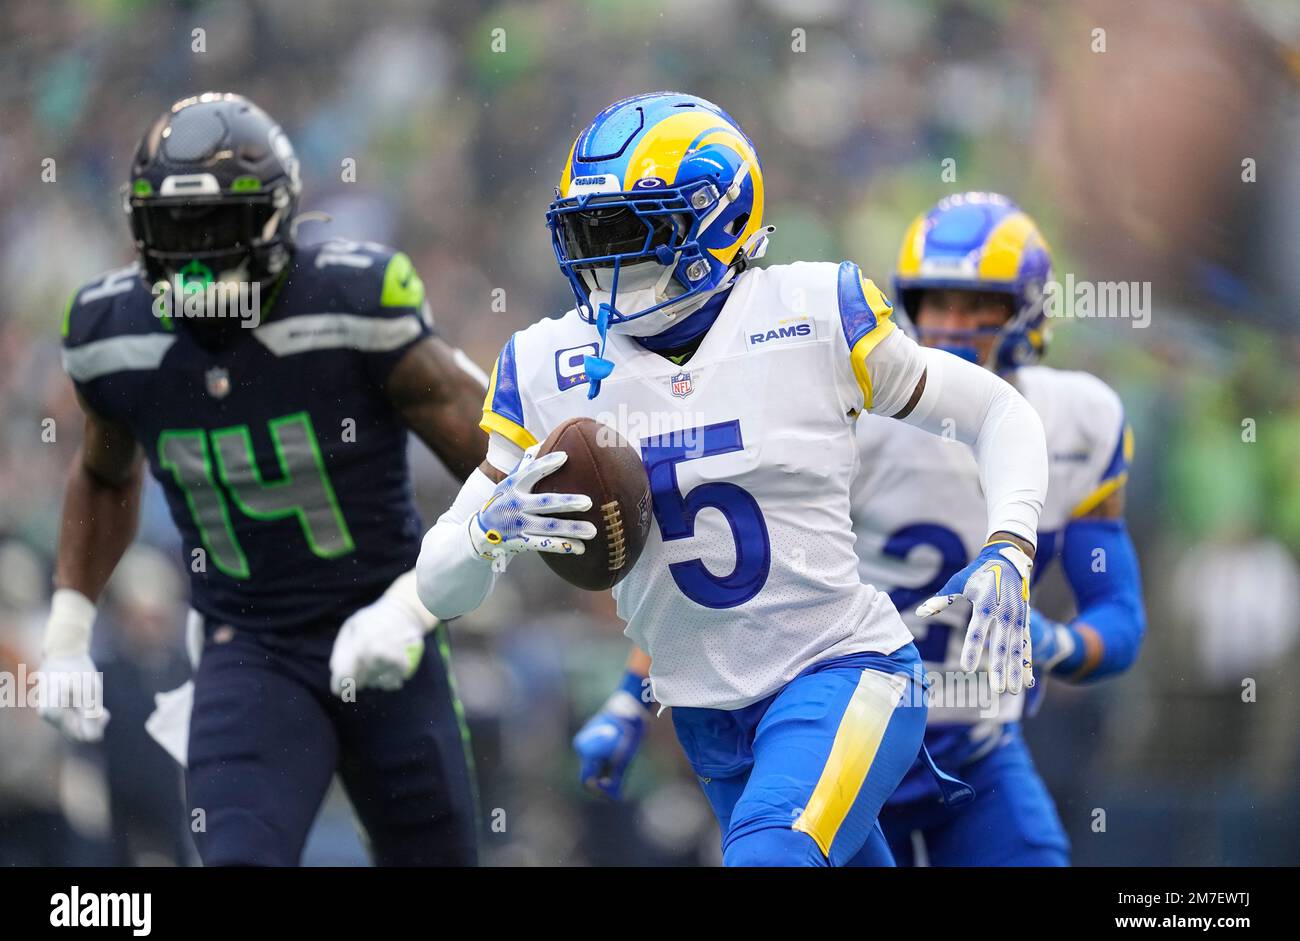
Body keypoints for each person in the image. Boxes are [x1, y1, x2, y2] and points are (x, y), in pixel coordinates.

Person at [418, 93, 1048, 866]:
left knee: (769, 855)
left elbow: (997, 409)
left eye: (630, 232)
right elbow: (438, 590)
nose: (605, 262)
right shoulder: (546, 365)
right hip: (707, 720)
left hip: (844, 674)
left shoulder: (812, 313)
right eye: (589, 233)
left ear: (714, 224)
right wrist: (484, 535)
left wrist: (1010, 545)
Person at [37, 93, 487, 866]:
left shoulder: (351, 304)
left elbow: (503, 468)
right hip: (248, 645)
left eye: (216, 228)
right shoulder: (112, 334)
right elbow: (106, 477)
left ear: (276, 219)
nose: (194, 256)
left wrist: (413, 607)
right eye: (173, 232)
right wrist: (68, 633)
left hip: (383, 630)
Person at [857, 192, 1146, 865]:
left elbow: (1120, 617)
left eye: (977, 305)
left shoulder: (1079, 419)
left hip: (979, 754)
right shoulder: (856, 418)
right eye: (938, 303)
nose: (954, 327)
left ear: (1027, 310)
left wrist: (1051, 643)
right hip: (848, 746)